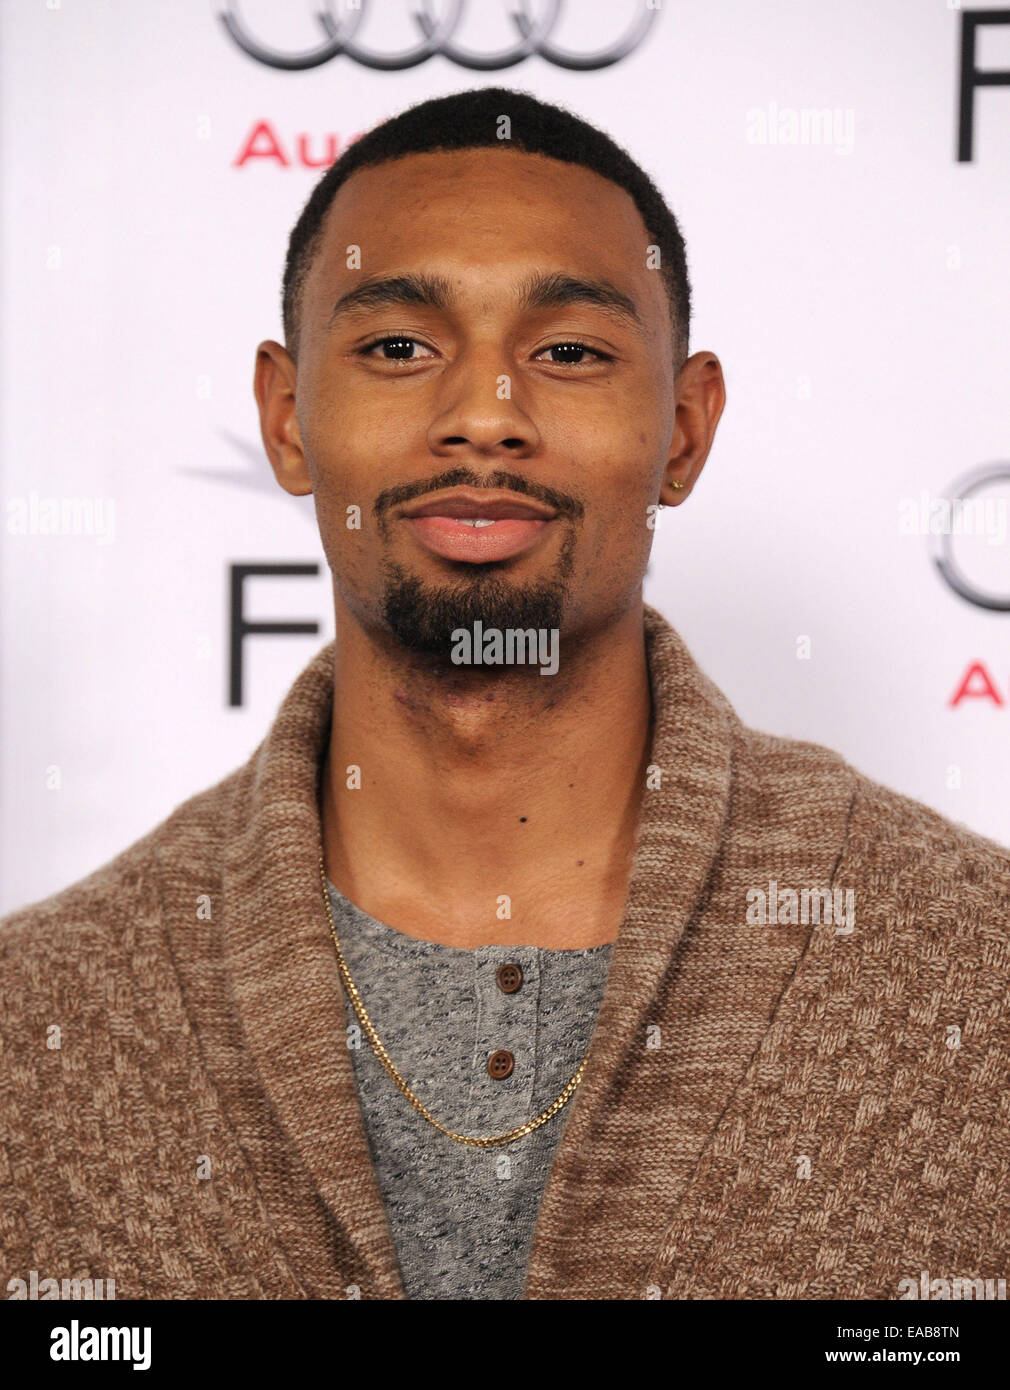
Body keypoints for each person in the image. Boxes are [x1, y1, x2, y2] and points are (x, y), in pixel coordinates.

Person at [2, 87, 1008, 1302]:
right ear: (286, 420)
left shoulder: (971, 967)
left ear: (682, 431)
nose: (483, 414)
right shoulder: (41, 1016)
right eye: (397, 348)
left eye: (567, 353)